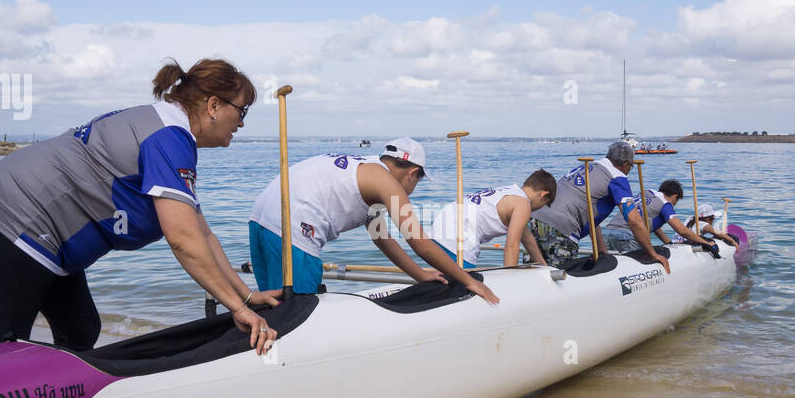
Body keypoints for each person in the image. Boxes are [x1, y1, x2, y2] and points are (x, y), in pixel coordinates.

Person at [0, 58, 280, 355]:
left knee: (80, 330)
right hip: (18, 214)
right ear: (213, 106)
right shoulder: (168, 137)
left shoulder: (166, 125)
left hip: (43, 222)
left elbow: (202, 234)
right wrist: (238, 311)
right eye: (242, 111)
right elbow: (183, 239)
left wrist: (248, 296)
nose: (240, 123)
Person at [248, 140, 499, 304]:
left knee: (274, 307)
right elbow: (420, 243)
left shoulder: (367, 170)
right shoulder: (384, 181)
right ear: (413, 173)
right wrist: (467, 281)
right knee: (296, 314)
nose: (413, 188)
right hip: (293, 228)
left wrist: (420, 274)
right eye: (418, 182)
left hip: (261, 217)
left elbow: (381, 237)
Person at [531, 141, 656, 265]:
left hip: (535, 219)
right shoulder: (617, 177)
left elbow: (591, 214)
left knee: (535, 272)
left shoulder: (586, 168)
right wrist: (652, 253)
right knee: (561, 276)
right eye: (631, 167)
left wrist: (601, 250)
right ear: (625, 164)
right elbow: (633, 220)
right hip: (561, 227)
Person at [428, 170, 556, 268]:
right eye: (545, 204)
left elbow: (528, 240)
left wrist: (544, 267)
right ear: (543, 195)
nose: (540, 208)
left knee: (447, 279)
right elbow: (511, 246)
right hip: (459, 234)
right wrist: (511, 280)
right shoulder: (523, 204)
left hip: (440, 225)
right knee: (464, 283)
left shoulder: (510, 192)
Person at [618, 180, 720, 258]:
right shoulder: (665, 204)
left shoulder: (647, 193)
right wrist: (706, 244)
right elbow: (682, 231)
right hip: (629, 237)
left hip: (609, 233)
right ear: (674, 196)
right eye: (676, 201)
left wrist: (670, 244)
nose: (674, 205)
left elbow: (656, 229)